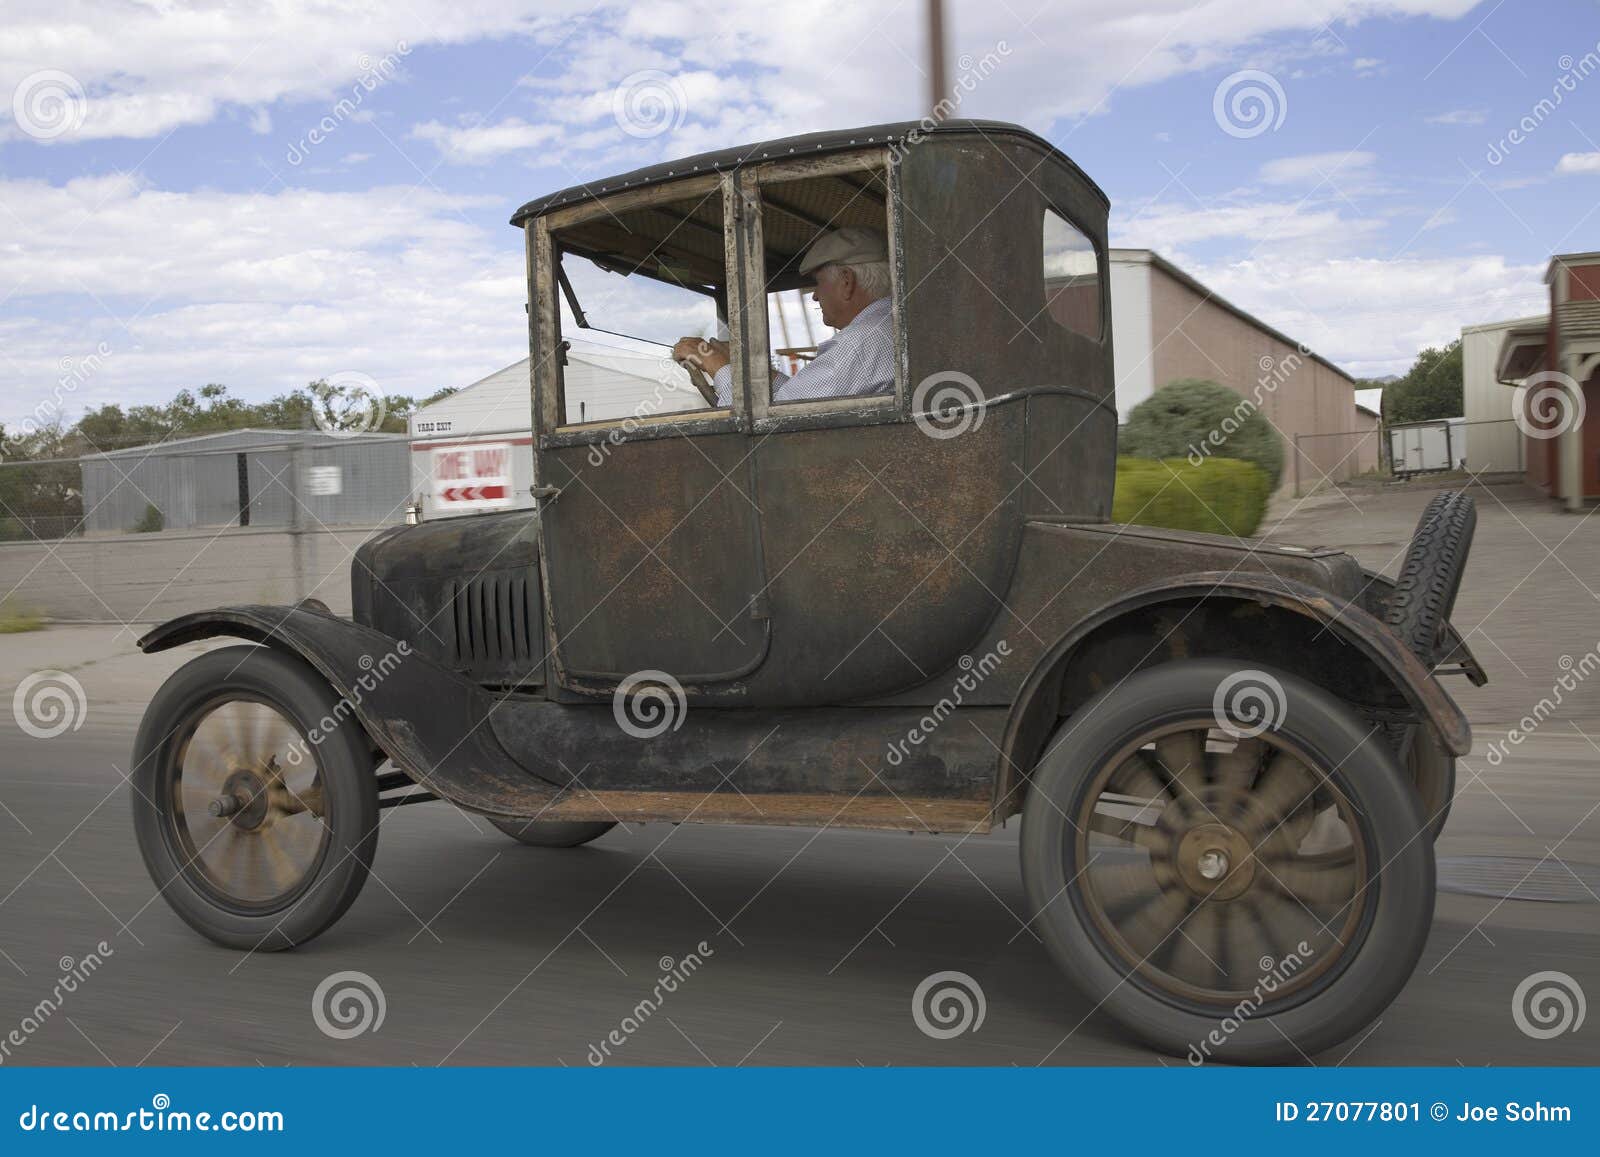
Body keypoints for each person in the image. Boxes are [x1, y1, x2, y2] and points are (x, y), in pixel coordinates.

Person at [672, 226, 894, 407]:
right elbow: (797, 401)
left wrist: (715, 363)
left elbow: (770, 431)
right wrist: (747, 368)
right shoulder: (887, 328)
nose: (815, 296)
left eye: (818, 283)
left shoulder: (859, 343)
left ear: (846, 281)